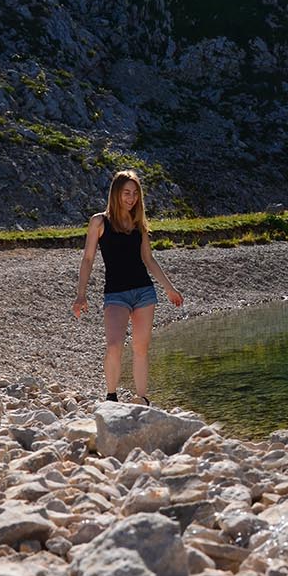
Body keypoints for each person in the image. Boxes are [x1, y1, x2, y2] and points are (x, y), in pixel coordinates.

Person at [73, 169, 184, 404]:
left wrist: (169, 288)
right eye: (126, 193)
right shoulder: (99, 222)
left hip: (144, 292)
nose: (131, 198)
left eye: (135, 193)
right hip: (115, 294)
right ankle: (111, 397)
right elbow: (88, 258)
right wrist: (81, 294)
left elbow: (149, 259)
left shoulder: (138, 224)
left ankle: (142, 399)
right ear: (116, 193)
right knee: (114, 346)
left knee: (140, 348)